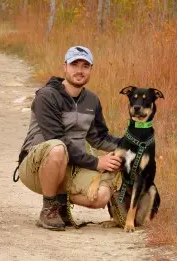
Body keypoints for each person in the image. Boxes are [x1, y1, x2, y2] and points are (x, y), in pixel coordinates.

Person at [17, 46, 122, 231]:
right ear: (65, 67)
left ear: (91, 70)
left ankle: (62, 205)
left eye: (85, 66)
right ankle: (49, 209)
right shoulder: (47, 96)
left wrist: (131, 145)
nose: (79, 70)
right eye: (74, 64)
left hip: (70, 166)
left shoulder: (92, 100)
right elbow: (57, 139)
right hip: (36, 166)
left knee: (101, 196)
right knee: (58, 148)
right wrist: (97, 162)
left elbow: (99, 137)